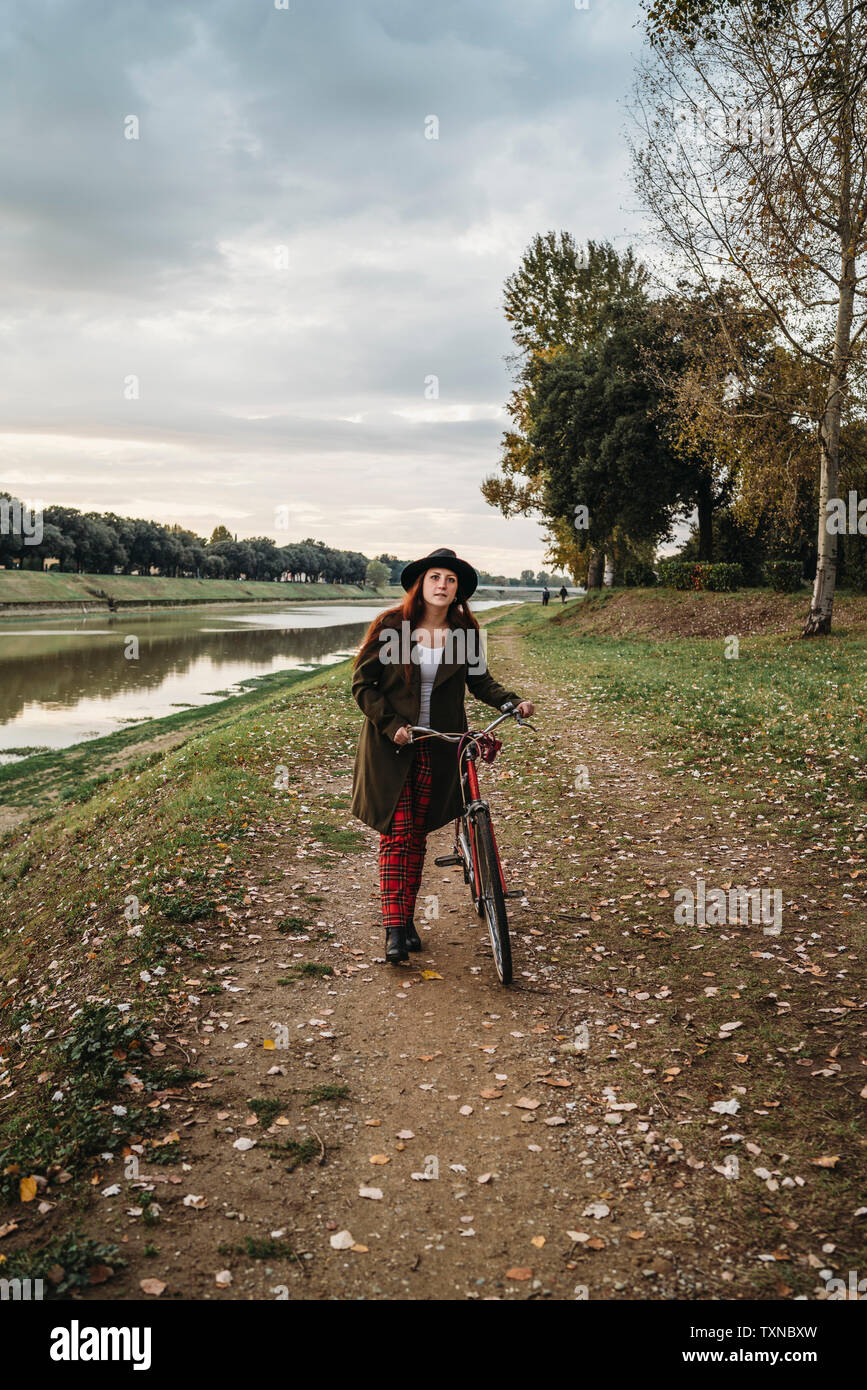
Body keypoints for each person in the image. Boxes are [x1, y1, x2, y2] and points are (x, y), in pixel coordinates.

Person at [350, 547, 536, 964]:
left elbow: (481, 683)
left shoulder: (463, 633)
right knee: (396, 833)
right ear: (421, 583)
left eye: (450, 581)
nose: (442, 585)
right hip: (393, 746)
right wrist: (390, 724)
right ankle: (395, 931)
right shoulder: (393, 627)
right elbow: (364, 685)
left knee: (415, 834)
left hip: (441, 744)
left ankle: (405, 919)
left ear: (457, 592)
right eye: (435, 577)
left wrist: (511, 702)